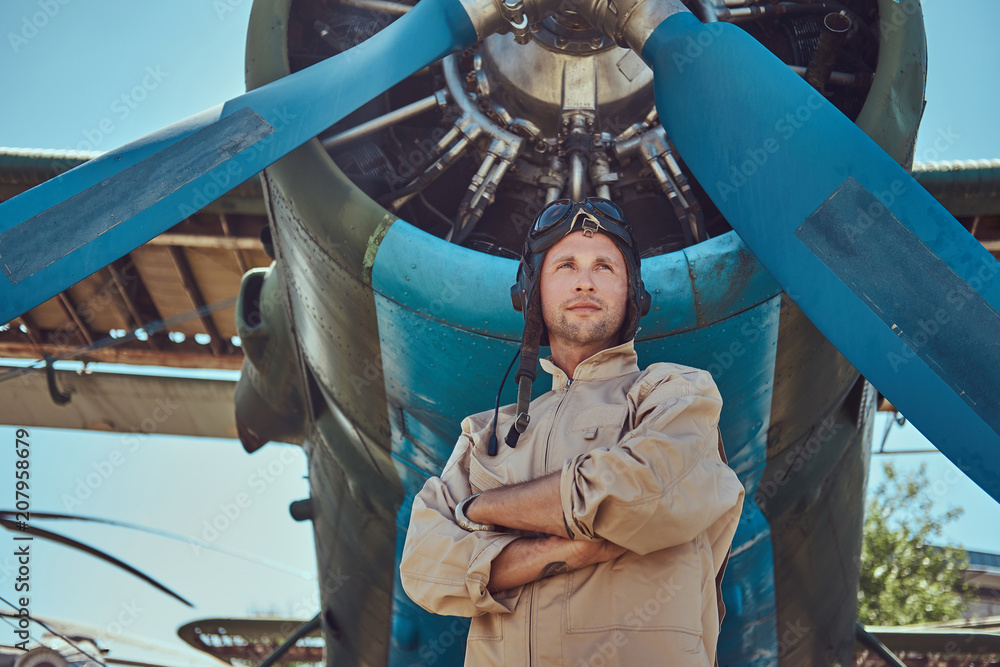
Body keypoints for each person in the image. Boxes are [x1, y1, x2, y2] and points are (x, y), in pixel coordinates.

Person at [400, 197, 744, 666]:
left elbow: (640, 497)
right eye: (565, 265)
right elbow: (423, 565)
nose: (585, 280)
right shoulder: (483, 435)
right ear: (532, 291)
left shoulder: (677, 394)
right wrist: (568, 549)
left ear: (633, 293)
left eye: (605, 266)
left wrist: (479, 509)